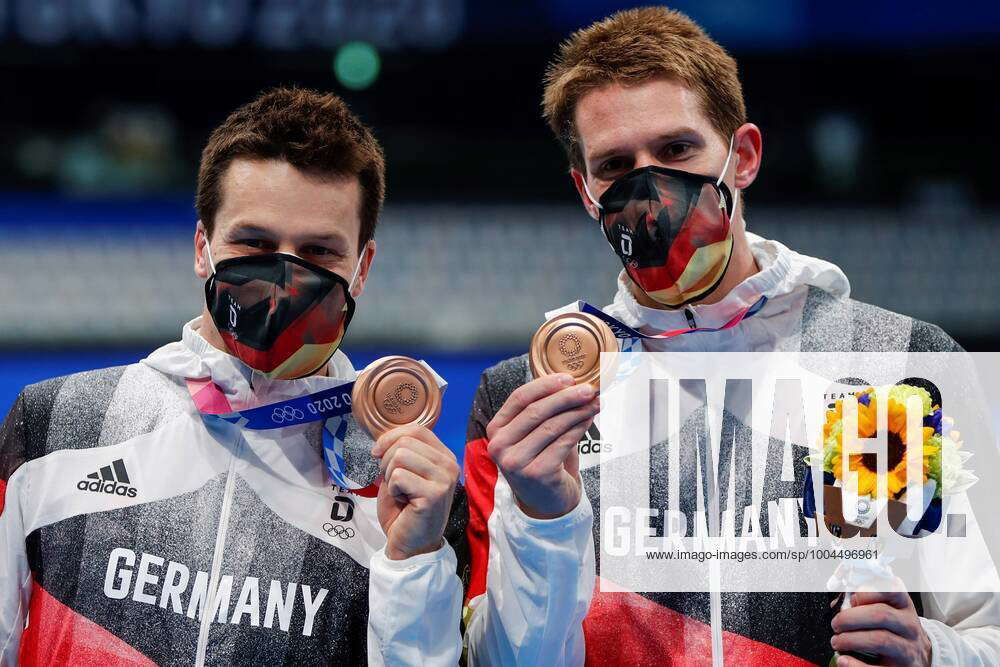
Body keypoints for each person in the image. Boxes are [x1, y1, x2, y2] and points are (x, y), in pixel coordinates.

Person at [463, 8, 1000, 666]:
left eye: (676, 149)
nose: (649, 184)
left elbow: (988, 633)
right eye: (615, 164)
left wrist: (930, 651)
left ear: (742, 157)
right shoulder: (525, 402)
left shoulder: (896, 366)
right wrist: (543, 519)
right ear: (585, 191)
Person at [0, 86, 589, 666]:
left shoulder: (404, 489)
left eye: (319, 252)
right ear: (203, 247)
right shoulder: (58, 421)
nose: (285, 279)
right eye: (253, 242)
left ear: (363, 268)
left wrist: (414, 560)